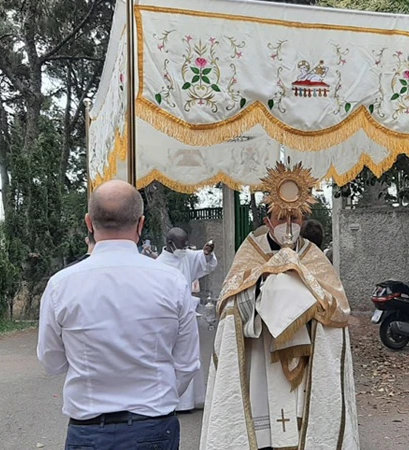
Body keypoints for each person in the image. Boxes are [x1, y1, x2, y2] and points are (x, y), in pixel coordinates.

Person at [200, 161, 359, 450]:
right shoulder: (250, 251)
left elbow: (338, 310)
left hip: (308, 363)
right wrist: (264, 282)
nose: (290, 224)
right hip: (259, 359)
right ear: (268, 220)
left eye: (296, 218)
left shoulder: (313, 256)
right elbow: (230, 304)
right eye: (282, 216)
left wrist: (305, 289)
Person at [37, 180, 200, 450]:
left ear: (89, 223)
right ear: (140, 224)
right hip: (153, 426)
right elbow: (186, 363)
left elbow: (51, 361)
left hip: (89, 429)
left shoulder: (61, 284)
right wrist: (155, 396)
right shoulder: (171, 281)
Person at [156, 226, 218, 412]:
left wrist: (206, 254)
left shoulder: (186, 256)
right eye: (181, 246)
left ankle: (191, 400)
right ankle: (174, 400)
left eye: (186, 246)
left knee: (189, 356)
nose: (184, 250)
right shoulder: (159, 264)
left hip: (187, 312)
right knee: (172, 356)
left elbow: (203, 260)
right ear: (169, 244)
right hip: (168, 315)